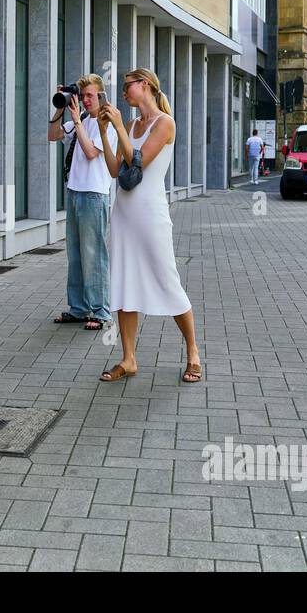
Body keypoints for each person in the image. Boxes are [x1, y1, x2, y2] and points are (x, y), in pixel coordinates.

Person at [96, 68, 203, 384]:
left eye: (128, 86)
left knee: (167, 280)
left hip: (151, 215)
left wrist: (118, 126)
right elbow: (116, 170)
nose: (124, 93)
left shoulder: (165, 124)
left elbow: (138, 161)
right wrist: (106, 131)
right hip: (124, 215)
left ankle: (193, 352)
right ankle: (128, 359)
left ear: (145, 85)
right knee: (124, 283)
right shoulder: (130, 124)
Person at [47, 73, 117, 331]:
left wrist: (76, 120)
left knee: (93, 255)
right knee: (75, 255)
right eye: (82, 95)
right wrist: (60, 109)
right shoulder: (83, 119)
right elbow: (53, 135)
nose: (85, 100)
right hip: (74, 193)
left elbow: (90, 153)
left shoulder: (106, 122)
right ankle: (78, 308)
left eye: (90, 96)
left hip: (94, 195)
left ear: (101, 95)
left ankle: (101, 311)